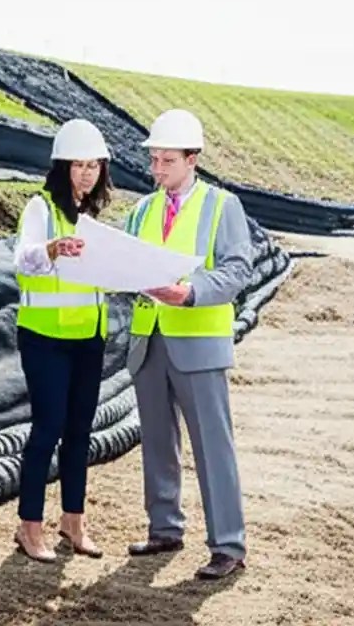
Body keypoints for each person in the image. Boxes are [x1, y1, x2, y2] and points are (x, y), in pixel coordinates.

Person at [122, 108, 253, 580]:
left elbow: (239, 269)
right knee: (157, 443)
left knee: (213, 448)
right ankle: (165, 528)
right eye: (154, 160)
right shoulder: (141, 210)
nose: (157, 170)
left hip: (198, 342)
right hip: (150, 341)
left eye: (166, 162)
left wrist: (191, 292)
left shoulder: (222, 206)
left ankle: (228, 546)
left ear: (192, 159)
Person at [11, 118, 114, 562]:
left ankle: (74, 520)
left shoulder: (92, 217)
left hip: (88, 339)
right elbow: (22, 259)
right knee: (47, 428)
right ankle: (29, 527)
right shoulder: (41, 209)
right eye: (80, 165)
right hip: (45, 339)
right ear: (62, 166)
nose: (88, 173)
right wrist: (52, 249)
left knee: (79, 432)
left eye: (95, 166)